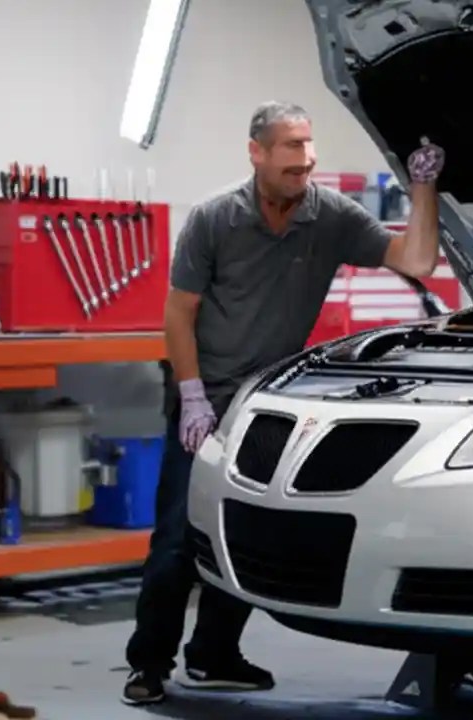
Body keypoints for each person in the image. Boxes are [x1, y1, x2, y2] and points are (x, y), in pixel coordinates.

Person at [121, 100, 444, 706]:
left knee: (241, 535)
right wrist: (191, 397)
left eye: (309, 145)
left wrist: (423, 186)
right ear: (258, 152)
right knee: (175, 542)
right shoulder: (214, 219)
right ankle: (149, 665)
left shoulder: (331, 217)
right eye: (292, 147)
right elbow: (179, 312)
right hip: (206, 399)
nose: (306, 159)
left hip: (264, 405)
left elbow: (418, 261)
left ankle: (214, 655)